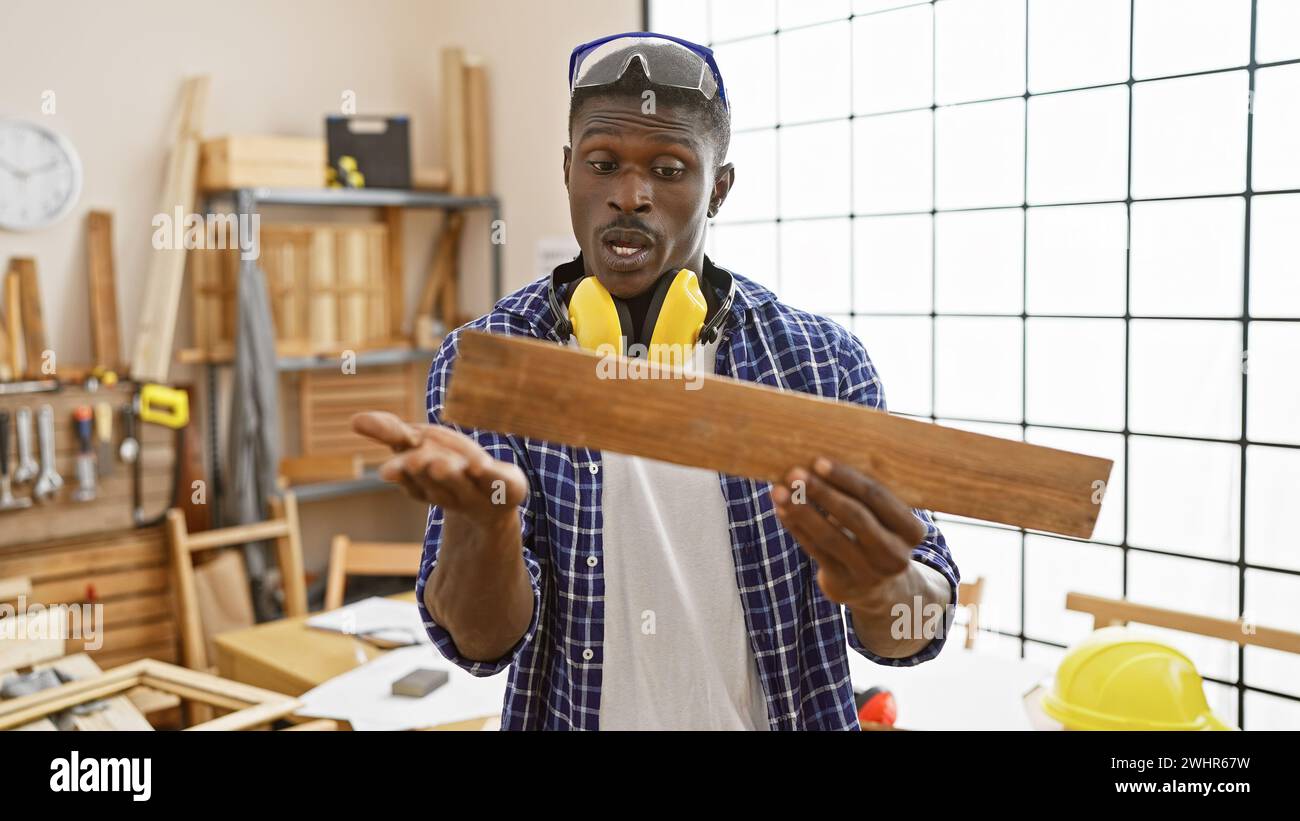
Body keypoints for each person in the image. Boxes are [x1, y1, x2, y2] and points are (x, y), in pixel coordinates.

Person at [354, 32, 958, 730]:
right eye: (602, 164)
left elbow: (916, 629)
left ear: (719, 188)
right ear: (566, 171)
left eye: (670, 169)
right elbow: (479, 644)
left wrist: (882, 585)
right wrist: (485, 525)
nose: (630, 195)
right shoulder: (492, 364)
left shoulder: (821, 365)